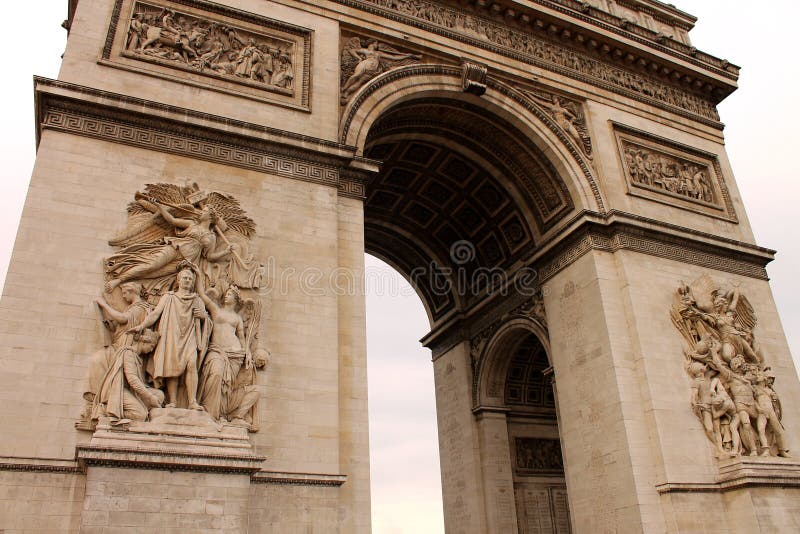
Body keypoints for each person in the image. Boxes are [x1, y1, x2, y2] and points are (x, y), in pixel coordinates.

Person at [105, 196, 232, 293]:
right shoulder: (191, 224)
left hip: (185, 261)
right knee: (151, 265)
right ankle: (118, 280)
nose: (201, 213)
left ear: (210, 217)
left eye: (204, 211)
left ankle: (128, 282)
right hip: (175, 248)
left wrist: (226, 252)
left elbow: (209, 256)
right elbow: (171, 220)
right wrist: (159, 206)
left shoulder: (212, 237)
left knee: (154, 274)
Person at [128, 268, 209, 410]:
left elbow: (205, 320)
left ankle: (192, 402)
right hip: (172, 335)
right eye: (185, 278)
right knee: (173, 367)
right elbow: (155, 314)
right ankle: (173, 401)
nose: (188, 281)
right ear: (178, 280)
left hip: (190, 336)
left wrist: (203, 317)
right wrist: (141, 326)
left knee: (191, 364)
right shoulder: (169, 297)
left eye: (190, 279)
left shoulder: (197, 299)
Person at [78, 282, 153, 428]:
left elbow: (123, 319)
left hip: (124, 347)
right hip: (120, 345)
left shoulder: (139, 307)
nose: (123, 296)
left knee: (99, 360)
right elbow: (123, 324)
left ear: (133, 292)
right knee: (98, 361)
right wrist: (111, 326)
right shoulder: (132, 307)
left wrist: (104, 305)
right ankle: (97, 406)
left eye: (125, 292)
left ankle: (104, 409)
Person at [195, 276, 258, 426]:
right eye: (227, 293)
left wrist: (247, 353)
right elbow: (202, 295)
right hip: (217, 350)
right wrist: (197, 276)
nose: (226, 295)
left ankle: (221, 415)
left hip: (235, 355)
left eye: (230, 294)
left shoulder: (237, 318)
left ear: (236, 299)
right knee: (216, 374)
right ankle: (210, 412)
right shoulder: (216, 310)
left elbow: (242, 338)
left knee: (227, 385)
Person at [95, 329, 165, 423]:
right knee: (140, 415)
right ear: (144, 342)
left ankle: (142, 407)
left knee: (160, 395)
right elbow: (132, 380)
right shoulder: (128, 354)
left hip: (130, 390)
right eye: (151, 346)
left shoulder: (137, 357)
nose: (151, 350)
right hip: (118, 390)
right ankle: (105, 409)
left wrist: (152, 395)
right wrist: (150, 397)